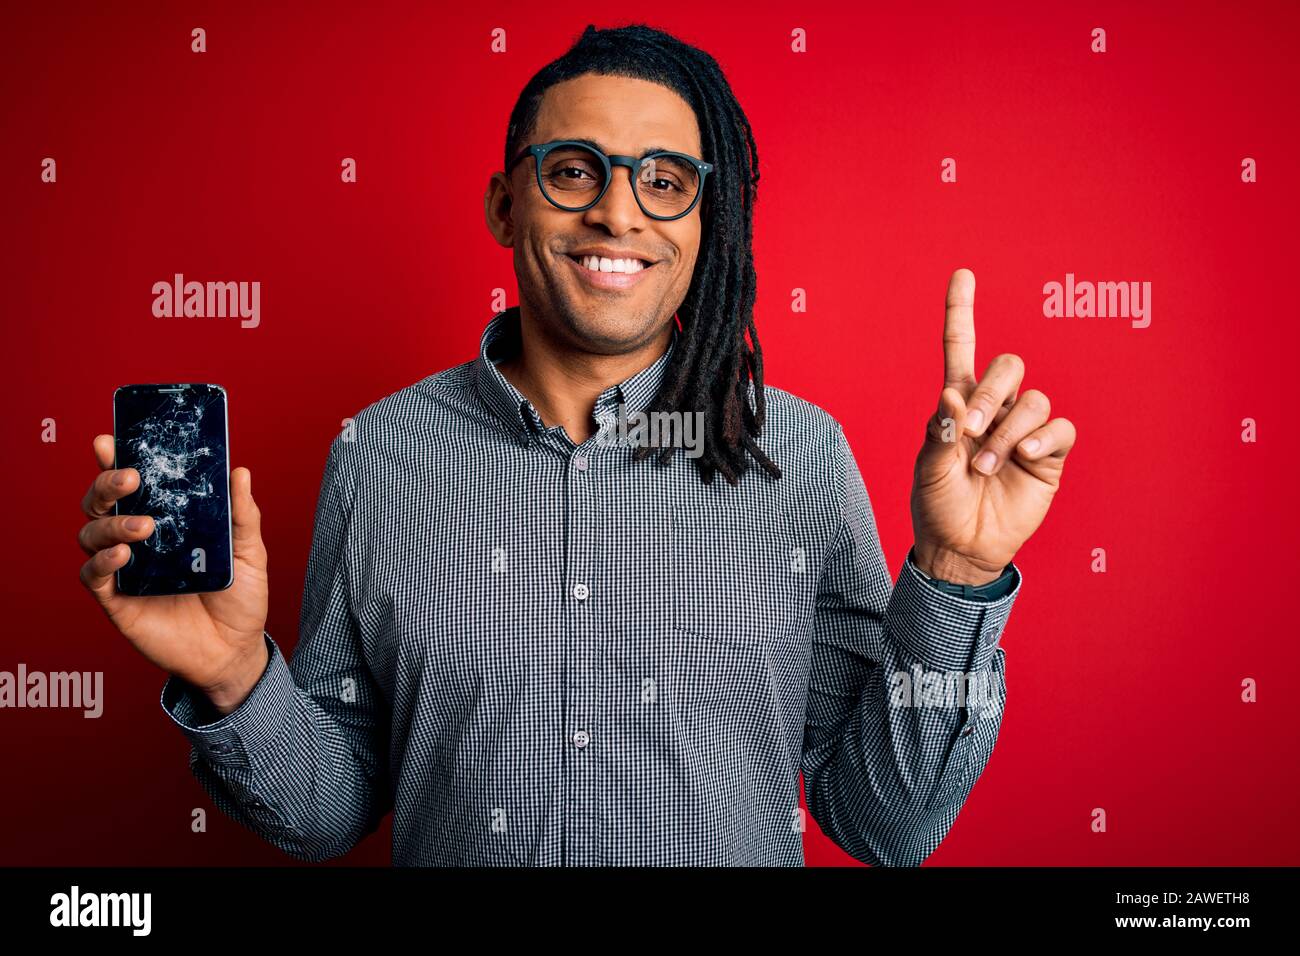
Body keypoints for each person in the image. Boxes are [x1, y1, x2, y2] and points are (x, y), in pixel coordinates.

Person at [76, 23, 1075, 866]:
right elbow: (333, 806)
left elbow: (885, 821)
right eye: (571, 171)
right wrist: (234, 675)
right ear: (504, 206)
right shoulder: (376, 454)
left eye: (664, 180)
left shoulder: (801, 457)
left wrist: (956, 570)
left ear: (704, 219)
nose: (616, 209)